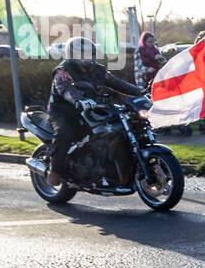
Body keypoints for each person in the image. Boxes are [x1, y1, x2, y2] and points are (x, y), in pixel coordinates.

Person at [46, 39, 144, 187]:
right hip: (65, 112)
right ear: (72, 55)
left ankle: (117, 171)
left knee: (117, 130)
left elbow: (117, 83)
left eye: (89, 54)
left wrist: (141, 92)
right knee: (64, 132)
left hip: (92, 108)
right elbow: (65, 89)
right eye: (82, 54)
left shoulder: (99, 70)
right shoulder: (63, 71)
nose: (86, 58)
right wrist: (78, 99)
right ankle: (55, 171)